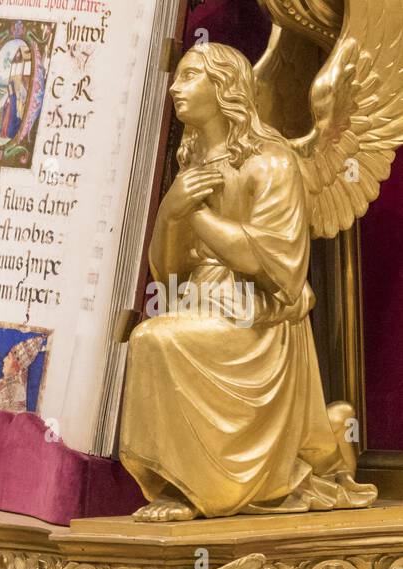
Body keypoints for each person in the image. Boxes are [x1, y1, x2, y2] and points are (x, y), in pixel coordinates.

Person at [119, 44, 374, 521]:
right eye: (177, 78)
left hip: (258, 319)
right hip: (201, 305)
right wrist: (169, 215)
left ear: (225, 88)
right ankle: (186, 483)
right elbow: (167, 272)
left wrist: (191, 214)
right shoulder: (192, 162)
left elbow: (277, 263)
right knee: (149, 338)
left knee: (153, 339)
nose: (176, 87)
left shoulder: (273, 162)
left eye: (191, 76)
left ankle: (201, 488)